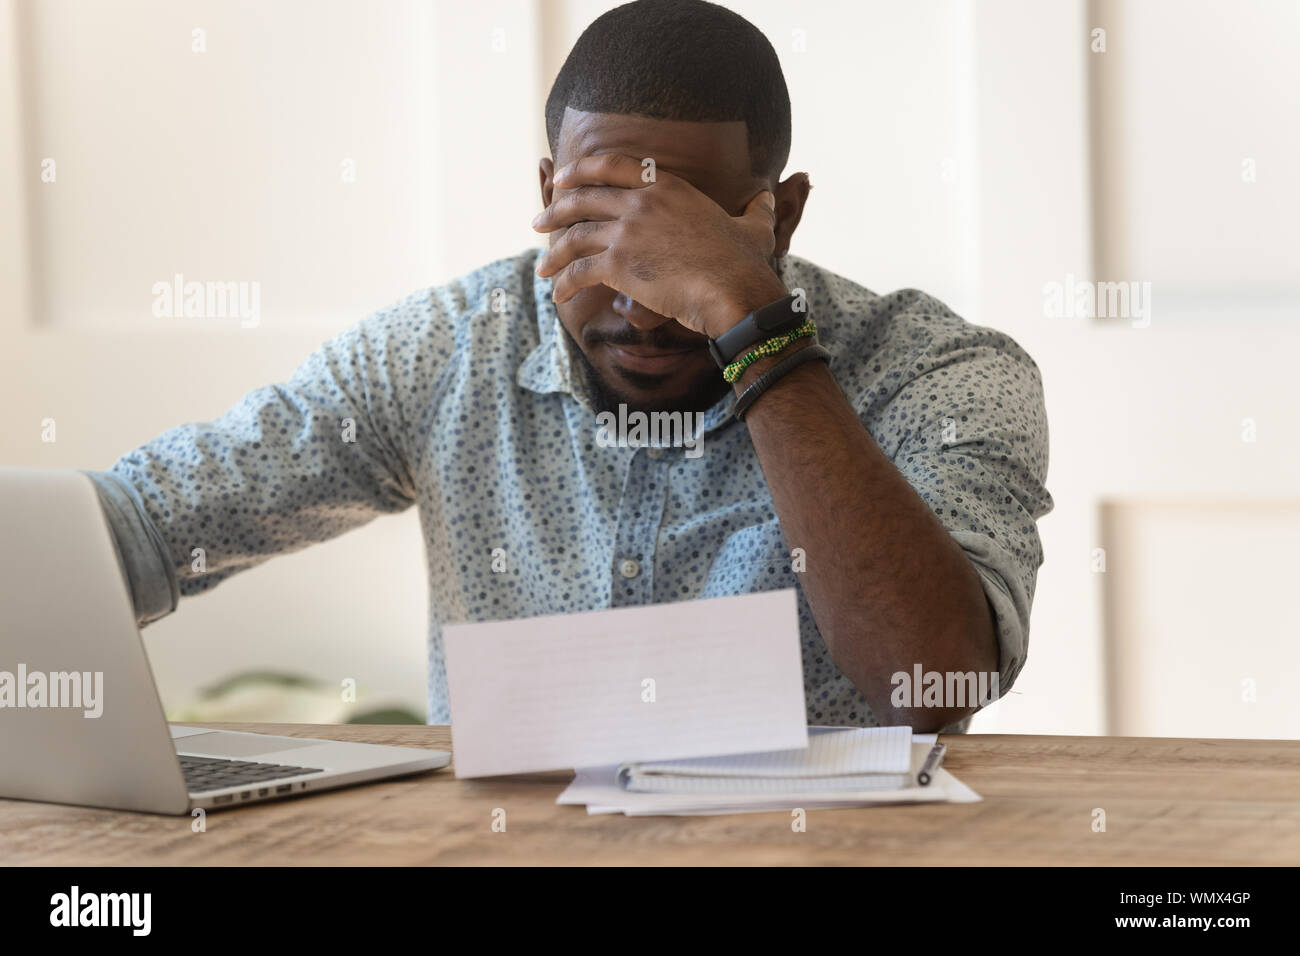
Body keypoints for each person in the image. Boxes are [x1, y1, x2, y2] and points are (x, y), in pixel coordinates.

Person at [87, 0, 1052, 733]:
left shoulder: (940, 375)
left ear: (781, 218)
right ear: (547, 192)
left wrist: (754, 330)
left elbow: (935, 682)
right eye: (595, 227)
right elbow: (146, 527)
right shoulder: (447, 349)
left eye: (687, 244)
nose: (639, 302)